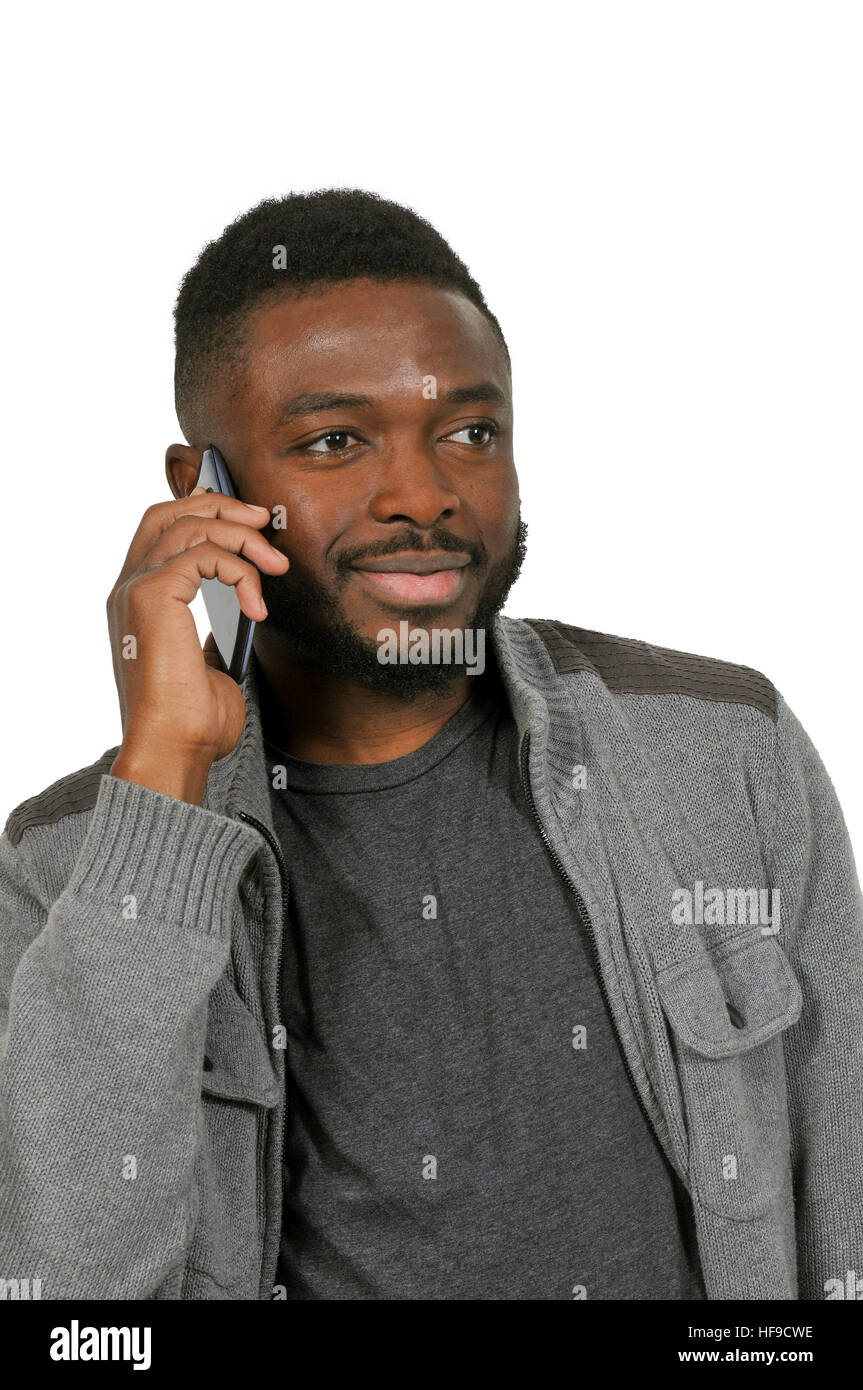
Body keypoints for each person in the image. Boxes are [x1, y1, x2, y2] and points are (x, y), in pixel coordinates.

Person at [1, 189, 860, 1302]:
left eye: (469, 432)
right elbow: (70, 1306)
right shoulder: (65, 861)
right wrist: (163, 775)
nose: (422, 495)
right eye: (334, 440)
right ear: (201, 494)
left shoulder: (722, 750)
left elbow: (843, 1195)